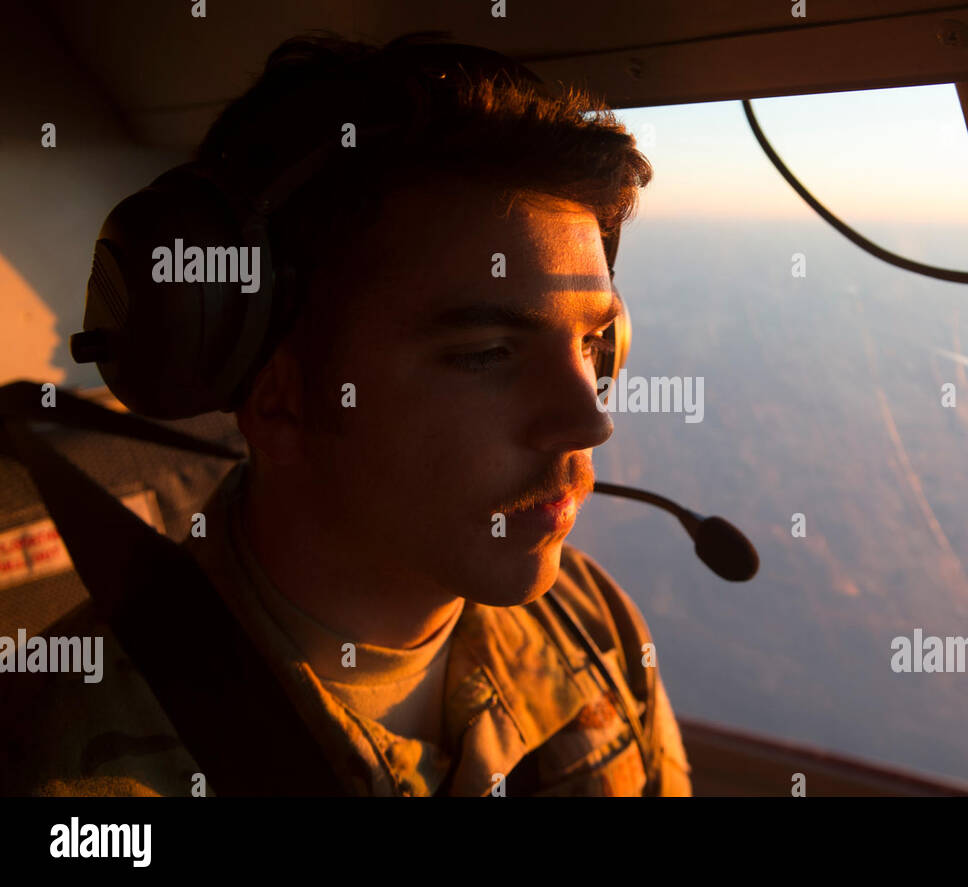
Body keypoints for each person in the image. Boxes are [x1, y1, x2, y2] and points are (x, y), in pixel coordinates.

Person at [3, 31, 691, 797]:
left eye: (595, 344)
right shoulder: (77, 774)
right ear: (281, 397)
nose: (590, 420)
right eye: (488, 353)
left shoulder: (592, 624)